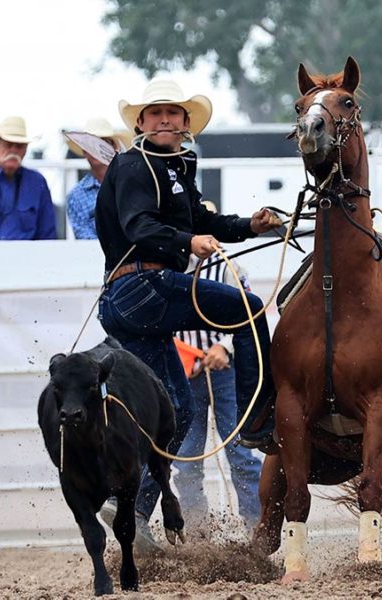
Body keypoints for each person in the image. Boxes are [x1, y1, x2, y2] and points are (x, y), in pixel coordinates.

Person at [94, 78, 282, 549]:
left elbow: (204, 221)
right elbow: (141, 225)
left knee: (176, 413)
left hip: (127, 302)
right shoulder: (135, 164)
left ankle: (132, 511)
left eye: (172, 113)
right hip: (142, 287)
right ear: (140, 122)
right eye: (154, 113)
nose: (163, 119)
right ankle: (257, 418)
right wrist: (186, 243)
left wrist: (247, 226)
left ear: (184, 123)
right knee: (249, 309)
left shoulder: (175, 166)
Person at [173, 203, 262, 534]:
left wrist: (223, 345)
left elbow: (246, 312)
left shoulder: (227, 265)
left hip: (223, 371)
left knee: (240, 453)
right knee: (187, 459)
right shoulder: (171, 262)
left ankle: (258, 527)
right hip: (186, 370)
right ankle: (196, 530)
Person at [66, 117, 123, 240]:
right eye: (91, 144)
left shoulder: (133, 183)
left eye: (103, 143)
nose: (97, 149)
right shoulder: (76, 196)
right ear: (84, 151)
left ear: (115, 148)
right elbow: (84, 238)